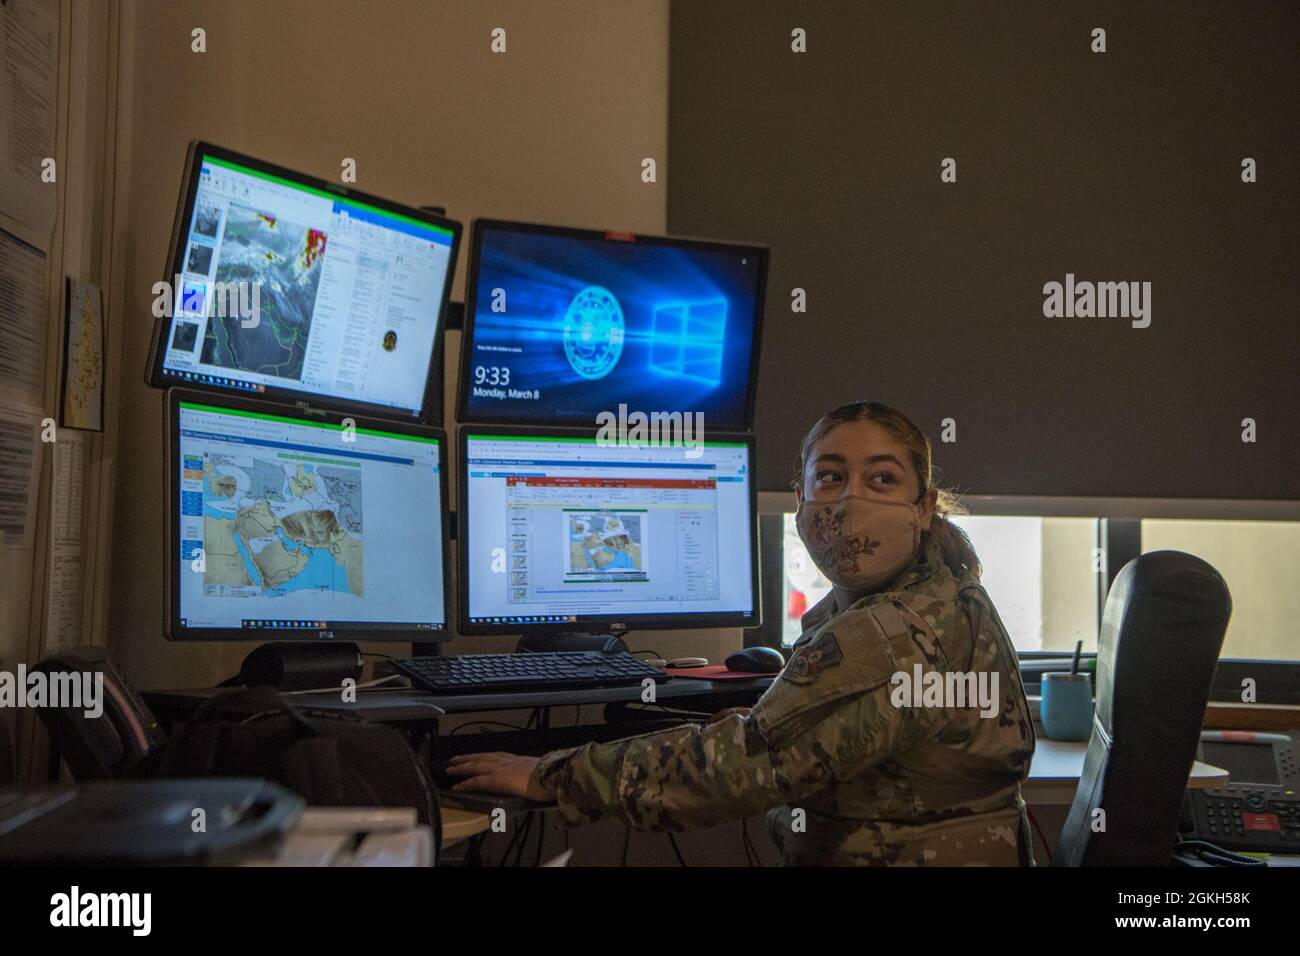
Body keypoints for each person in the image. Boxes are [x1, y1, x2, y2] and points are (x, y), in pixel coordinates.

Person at [448, 400, 1037, 865]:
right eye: (831, 477)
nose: (850, 500)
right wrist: (763, 722)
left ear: (924, 506)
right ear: (800, 498)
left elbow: (739, 769)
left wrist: (551, 774)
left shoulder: (890, 633)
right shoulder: (945, 592)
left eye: (881, 478)